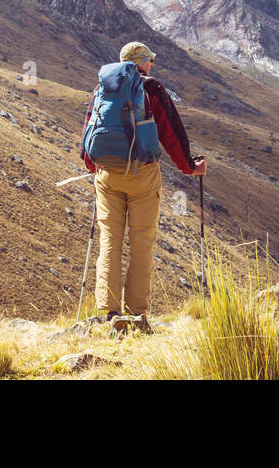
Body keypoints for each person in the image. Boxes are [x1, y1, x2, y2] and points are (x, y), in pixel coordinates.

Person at [81, 41, 206, 317]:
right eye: (150, 60)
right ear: (141, 63)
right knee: (141, 243)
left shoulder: (103, 87)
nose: (152, 65)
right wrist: (189, 166)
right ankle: (136, 314)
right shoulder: (150, 88)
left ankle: (108, 312)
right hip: (142, 175)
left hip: (106, 174)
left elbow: (89, 131)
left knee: (110, 241)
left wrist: (93, 166)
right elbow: (170, 132)